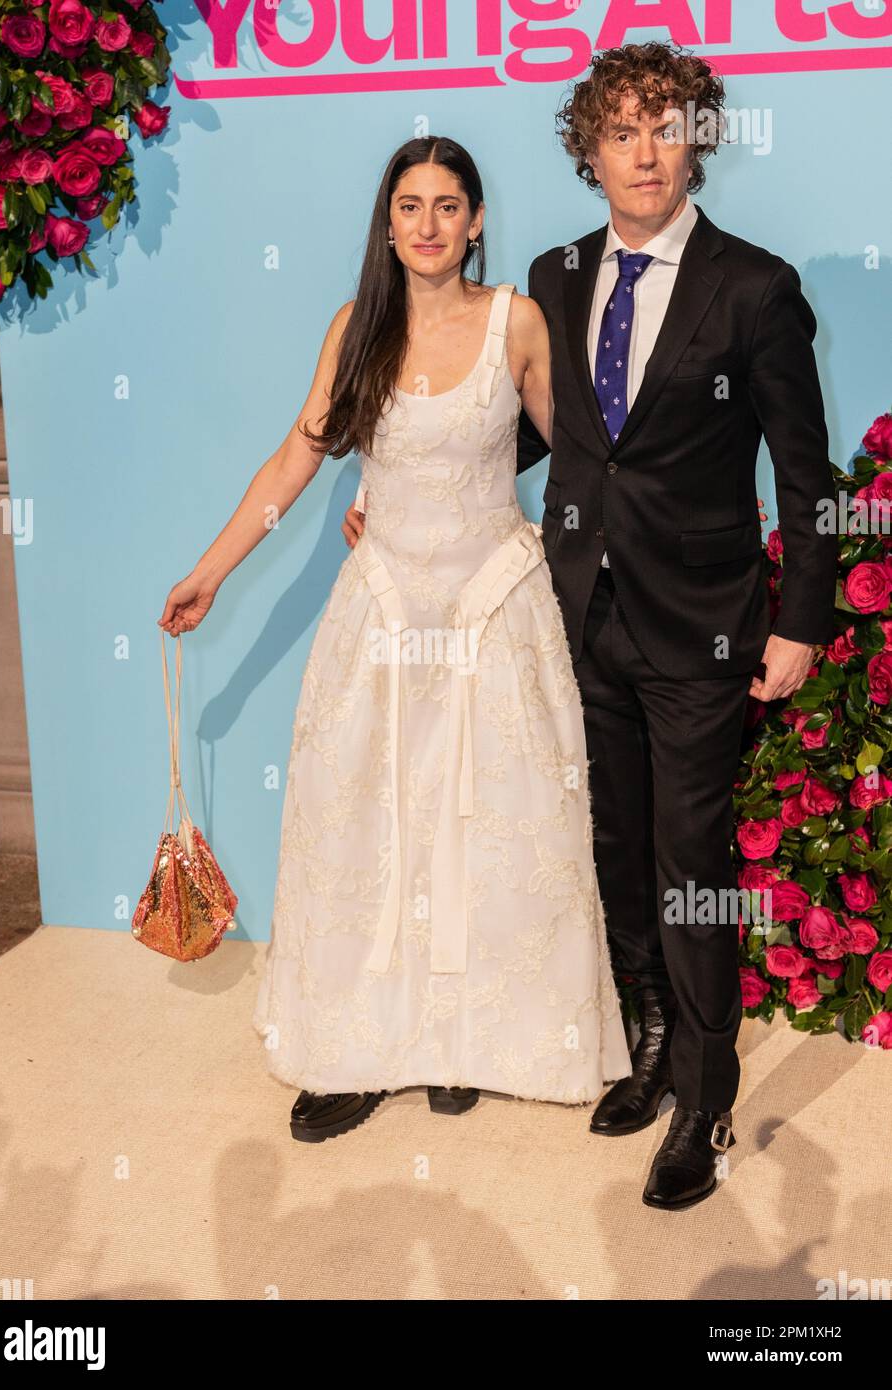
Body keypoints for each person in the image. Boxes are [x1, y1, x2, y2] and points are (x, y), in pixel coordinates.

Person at [344, 42, 837, 1209]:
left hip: (704, 624)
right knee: (608, 844)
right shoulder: (552, 276)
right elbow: (548, 429)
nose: (645, 151)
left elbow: (802, 470)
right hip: (570, 612)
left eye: (666, 128)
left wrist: (800, 616)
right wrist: (415, 477)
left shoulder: (754, 287)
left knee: (687, 860)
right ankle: (652, 1038)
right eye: (621, 131)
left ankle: (706, 1099)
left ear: (695, 142)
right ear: (589, 151)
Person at [159, 135, 633, 1145]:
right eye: (409, 205)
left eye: (448, 204)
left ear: (474, 220)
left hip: (493, 611)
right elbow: (297, 456)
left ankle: (463, 1041)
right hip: (378, 613)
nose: (428, 224)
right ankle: (357, 1051)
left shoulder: (517, 321)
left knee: (491, 824)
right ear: (387, 223)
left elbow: (578, 462)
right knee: (363, 826)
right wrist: (211, 568)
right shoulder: (356, 328)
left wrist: (614, 570)